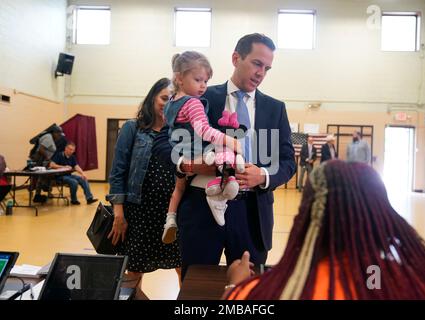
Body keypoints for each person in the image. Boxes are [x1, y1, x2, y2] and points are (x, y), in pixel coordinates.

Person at [152, 33, 296, 278]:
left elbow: (287, 161)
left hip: (252, 213)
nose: (261, 73)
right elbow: (162, 142)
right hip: (201, 206)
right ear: (236, 58)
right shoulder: (200, 96)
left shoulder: (275, 108)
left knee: (247, 293)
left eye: (267, 68)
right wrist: (188, 165)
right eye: (256, 63)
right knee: (196, 289)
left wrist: (262, 176)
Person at [224, 160, 425, 300]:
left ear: (306, 216)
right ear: (382, 214)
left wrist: (234, 285)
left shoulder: (262, 292)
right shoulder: (422, 283)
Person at [106, 78, 182, 299]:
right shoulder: (133, 128)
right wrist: (119, 214)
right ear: (152, 98)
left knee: (184, 271)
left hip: (173, 215)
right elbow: (118, 172)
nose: (168, 104)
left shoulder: (180, 133)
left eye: (173, 100)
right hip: (140, 213)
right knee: (133, 277)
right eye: (164, 98)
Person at [162, 51, 243, 244]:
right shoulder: (193, 103)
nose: (203, 86)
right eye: (198, 79)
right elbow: (204, 130)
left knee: (178, 189)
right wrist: (229, 140)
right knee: (225, 155)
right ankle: (218, 197)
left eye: (205, 81)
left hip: (180, 153)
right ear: (179, 78)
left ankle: (170, 219)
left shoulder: (170, 103)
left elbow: (168, 131)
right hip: (198, 151)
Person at [31, 125, 65, 203]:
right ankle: (37, 195)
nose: (60, 137)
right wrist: (48, 158)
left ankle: (43, 193)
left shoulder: (50, 137)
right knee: (41, 177)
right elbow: (41, 149)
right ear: (54, 133)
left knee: (46, 176)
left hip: (43, 161)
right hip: (40, 161)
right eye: (59, 134)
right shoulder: (48, 137)